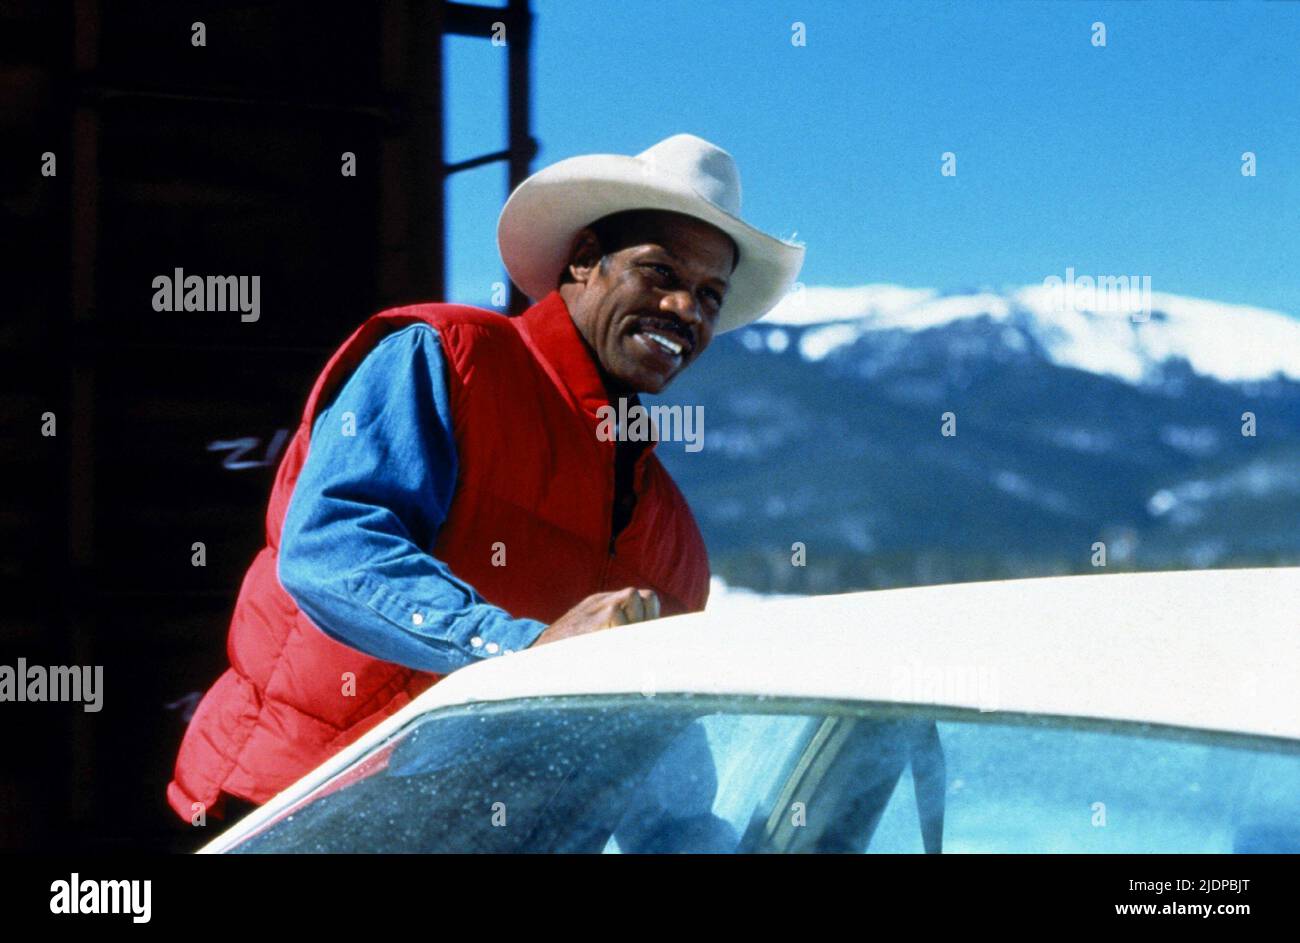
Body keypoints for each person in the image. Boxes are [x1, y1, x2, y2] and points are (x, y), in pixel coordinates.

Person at [166, 133, 805, 827]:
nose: (688, 310)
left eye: (710, 295)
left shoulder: (675, 541)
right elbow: (328, 549)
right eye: (661, 273)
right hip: (284, 818)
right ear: (585, 260)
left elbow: (658, 764)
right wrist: (523, 649)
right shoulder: (446, 359)